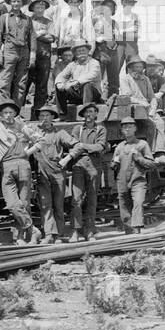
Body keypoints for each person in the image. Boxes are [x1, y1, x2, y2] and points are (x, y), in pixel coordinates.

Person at [0, 99, 39, 245]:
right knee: (13, 204)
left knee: (25, 202)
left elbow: (40, 140)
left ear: (15, 113)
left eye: (11, 112)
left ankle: (22, 237)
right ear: (1, 114)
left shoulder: (22, 126)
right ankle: (32, 229)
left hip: (23, 164)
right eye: (5, 113)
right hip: (6, 165)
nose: (8, 115)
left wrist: (28, 152)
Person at [27, 103, 75, 243]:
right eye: (42, 115)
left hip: (58, 173)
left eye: (48, 115)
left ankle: (59, 234)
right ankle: (49, 235)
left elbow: (76, 145)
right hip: (42, 174)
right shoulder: (35, 135)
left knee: (58, 205)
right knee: (45, 205)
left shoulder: (60, 133)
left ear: (53, 117)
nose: (44, 118)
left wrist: (68, 157)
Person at [67, 102, 108, 241]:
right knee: (76, 199)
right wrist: (84, 148)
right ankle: (75, 231)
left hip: (94, 167)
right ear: (83, 115)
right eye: (86, 112)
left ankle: (90, 230)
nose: (89, 114)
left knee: (92, 200)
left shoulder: (100, 129)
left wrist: (83, 146)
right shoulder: (77, 129)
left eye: (92, 111)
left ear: (96, 114)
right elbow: (72, 147)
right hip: (78, 165)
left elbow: (100, 147)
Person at [119, 56, 165, 161]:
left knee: (160, 123)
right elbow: (126, 97)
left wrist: (153, 109)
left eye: (140, 67)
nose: (138, 69)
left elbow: (152, 97)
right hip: (133, 110)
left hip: (147, 109)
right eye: (136, 67)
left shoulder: (145, 79)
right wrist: (140, 102)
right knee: (151, 124)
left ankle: (160, 153)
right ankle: (150, 153)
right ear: (130, 68)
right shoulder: (125, 79)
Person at [112, 116, 154, 234]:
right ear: (121, 130)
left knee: (138, 202)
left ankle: (137, 228)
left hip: (138, 180)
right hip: (122, 181)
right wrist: (113, 164)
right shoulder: (119, 147)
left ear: (135, 128)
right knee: (124, 205)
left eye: (130, 126)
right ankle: (129, 229)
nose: (127, 129)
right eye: (124, 127)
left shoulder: (142, 144)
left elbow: (151, 164)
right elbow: (114, 162)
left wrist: (139, 158)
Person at [0, 0, 34, 108]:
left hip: (24, 51)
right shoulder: (4, 18)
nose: (16, 4)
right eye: (14, 1)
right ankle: (4, 108)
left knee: (21, 82)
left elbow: (32, 37)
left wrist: (32, 55)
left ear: (22, 4)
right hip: (9, 50)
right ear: (10, 3)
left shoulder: (27, 19)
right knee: (5, 81)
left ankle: (17, 110)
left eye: (18, 2)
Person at [25, 0, 56, 117]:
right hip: (30, 56)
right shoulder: (27, 20)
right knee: (25, 83)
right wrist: (41, 33)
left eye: (42, 6)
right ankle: (20, 110)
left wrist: (35, 36)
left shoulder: (49, 22)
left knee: (42, 85)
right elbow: (25, 37)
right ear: (32, 7)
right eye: (37, 6)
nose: (40, 8)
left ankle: (39, 112)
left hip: (44, 56)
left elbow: (51, 38)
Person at [54, 40, 104, 107]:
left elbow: (91, 75)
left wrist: (76, 82)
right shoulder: (72, 64)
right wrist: (59, 83)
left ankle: (86, 110)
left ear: (88, 51)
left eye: (83, 50)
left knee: (87, 85)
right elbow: (62, 75)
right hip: (77, 93)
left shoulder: (94, 63)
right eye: (79, 51)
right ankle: (62, 113)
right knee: (58, 86)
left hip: (92, 94)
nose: (81, 53)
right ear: (75, 54)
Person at [91, 0, 120, 98]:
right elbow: (94, 36)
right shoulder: (97, 21)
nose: (108, 9)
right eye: (106, 7)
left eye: (111, 7)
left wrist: (114, 44)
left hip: (113, 51)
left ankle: (113, 97)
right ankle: (98, 98)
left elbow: (117, 36)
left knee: (113, 77)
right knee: (99, 76)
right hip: (101, 50)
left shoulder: (114, 23)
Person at [114, 0, 141, 76]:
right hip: (119, 45)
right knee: (115, 66)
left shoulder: (135, 17)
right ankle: (111, 87)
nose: (127, 5)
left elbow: (136, 33)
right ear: (122, 3)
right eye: (125, 2)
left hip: (131, 45)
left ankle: (132, 86)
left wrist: (124, 31)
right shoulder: (117, 16)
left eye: (130, 3)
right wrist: (128, 30)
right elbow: (116, 32)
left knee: (132, 67)